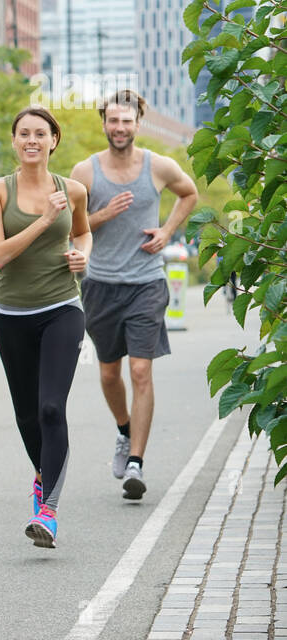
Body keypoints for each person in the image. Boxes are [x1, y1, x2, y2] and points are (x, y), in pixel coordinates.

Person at [70, 90, 198, 500]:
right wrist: (100, 215)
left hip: (146, 283)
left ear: (138, 124)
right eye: (113, 120)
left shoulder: (158, 167)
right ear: (103, 123)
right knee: (110, 373)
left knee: (141, 371)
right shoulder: (85, 172)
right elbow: (69, 227)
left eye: (127, 121)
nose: (119, 128)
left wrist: (166, 231)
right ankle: (124, 430)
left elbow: (189, 192)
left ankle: (137, 463)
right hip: (101, 285)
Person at [0, 106, 92, 549]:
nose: (31, 140)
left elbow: (82, 233)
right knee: (26, 414)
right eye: (23, 133)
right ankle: (44, 474)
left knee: (50, 408)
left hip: (63, 308)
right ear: (14, 141)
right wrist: (46, 220)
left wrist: (84, 255)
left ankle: (48, 510)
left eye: (40, 133)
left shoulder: (75, 190)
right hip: (12, 316)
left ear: (53, 141)